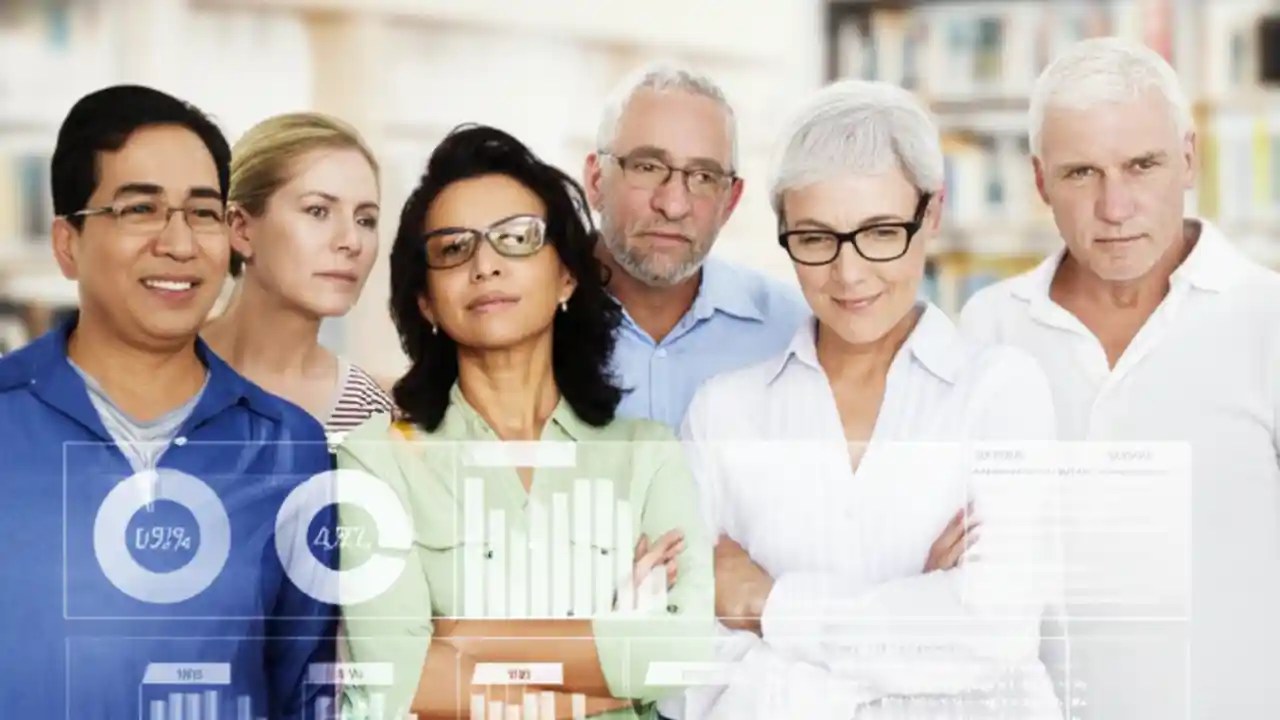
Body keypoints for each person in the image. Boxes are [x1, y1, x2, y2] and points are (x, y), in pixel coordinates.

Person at [681, 80, 1063, 719]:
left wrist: (766, 606)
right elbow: (684, 666)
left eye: (881, 232)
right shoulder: (724, 413)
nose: (849, 273)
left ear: (932, 214)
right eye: (814, 238)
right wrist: (916, 625)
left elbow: (995, 630)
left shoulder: (1000, 391)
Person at [335, 125, 715, 719]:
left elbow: (681, 652)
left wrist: (464, 638)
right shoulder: (375, 459)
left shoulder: (647, 453)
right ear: (426, 301)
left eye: (516, 238)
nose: (485, 265)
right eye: (453, 248)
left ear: (566, 275)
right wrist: (604, 683)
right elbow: (395, 685)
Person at [959, 37, 1280, 719]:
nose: (1115, 206)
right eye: (1081, 174)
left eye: (1142, 165)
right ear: (1040, 180)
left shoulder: (1267, 322)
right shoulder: (985, 328)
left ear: (1189, 159)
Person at [0, 86, 336, 717]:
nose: (180, 243)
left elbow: (305, 691)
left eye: (203, 213)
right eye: (140, 209)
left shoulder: (290, 446)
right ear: (68, 242)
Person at [583, 62, 808, 429]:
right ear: (595, 181)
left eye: (703, 177)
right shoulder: (526, 319)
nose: (673, 206)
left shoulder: (794, 334)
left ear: (730, 202)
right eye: (647, 167)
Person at [202, 112, 393, 444]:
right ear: (240, 228)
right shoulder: (155, 374)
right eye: (318, 211)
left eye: (365, 219)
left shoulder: (370, 413)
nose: (352, 241)